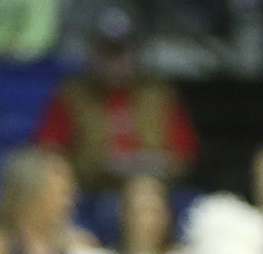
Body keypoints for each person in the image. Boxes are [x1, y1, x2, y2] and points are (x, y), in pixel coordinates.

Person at [33, 10, 198, 192]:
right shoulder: (72, 95)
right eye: (106, 53)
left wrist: (154, 165)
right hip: (92, 192)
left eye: (120, 53)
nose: (114, 62)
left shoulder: (159, 95)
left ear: (137, 54)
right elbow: (48, 154)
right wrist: (95, 167)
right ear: (92, 54)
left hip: (155, 191)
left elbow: (184, 155)